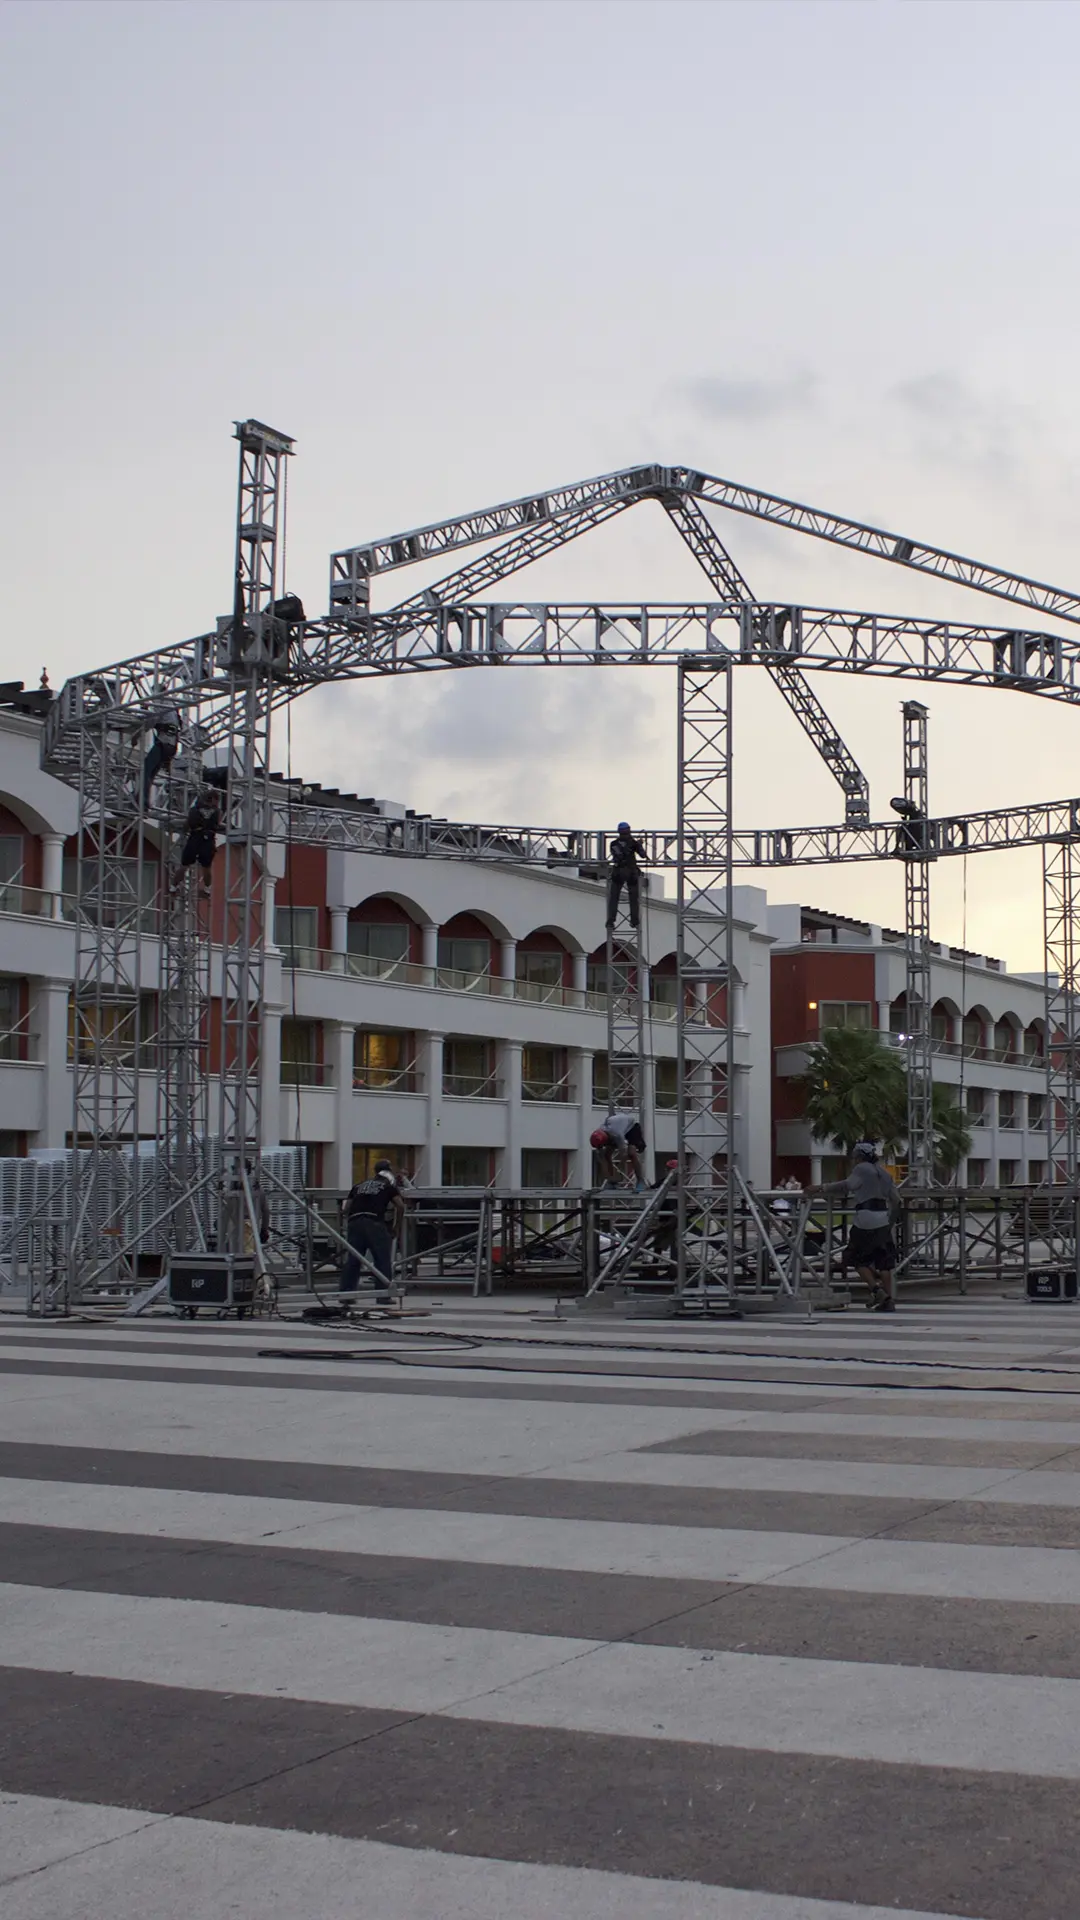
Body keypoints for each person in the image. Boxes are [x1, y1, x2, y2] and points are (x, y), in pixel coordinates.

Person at [813, 1141, 900, 1312]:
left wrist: (821, 1187)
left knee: (856, 1258)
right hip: (882, 1217)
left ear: (859, 1156)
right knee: (884, 1262)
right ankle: (889, 1300)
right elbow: (897, 1200)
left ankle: (877, 1290)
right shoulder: (885, 1173)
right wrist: (890, 1221)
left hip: (865, 1218)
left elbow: (848, 1185)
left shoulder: (861, 1169)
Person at [341, 1159, 404, 1304]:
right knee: (382, 1259)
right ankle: (383, 1295)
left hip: (354, 1222)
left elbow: (346, 1208)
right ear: (388, 1171)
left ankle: (346, 1294)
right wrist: (396, 1227)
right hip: (374, 1222)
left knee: (353, 1259)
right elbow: (400, 1206)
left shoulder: (358, 1185)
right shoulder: (388, 1186)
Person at [175, 784, 223, 897]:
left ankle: (174, 886)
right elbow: (217, 824)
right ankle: (207, 889)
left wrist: (183, 831)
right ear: (213, 800)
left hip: (195, 837)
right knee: (206, 867)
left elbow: (188, 824)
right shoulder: (217, 812)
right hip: (208, 839)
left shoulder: (194, 810)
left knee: (184, 865)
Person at [591, 1112, 647, 1190]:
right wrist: (608, 1177)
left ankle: (641, 1181)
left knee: (631, 1153)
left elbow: (623, 1154)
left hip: (631, 1128)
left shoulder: (617, 1134)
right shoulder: (599, 1132)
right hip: (614, 1130)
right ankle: (611, 1182)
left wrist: (619, 1174)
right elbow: (602, 1159)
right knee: (606, 1155)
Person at [606, 822, 646, 931]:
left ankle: (611, 921)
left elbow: (618, 856)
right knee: (634, 898)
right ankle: (634, 921)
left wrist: (636, 845)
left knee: (614, 898)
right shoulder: (633, 843)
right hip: (631, 873)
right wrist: (639, 845)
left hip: (618, 873)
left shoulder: (614, 843)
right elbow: (643, 855)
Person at [142, 709, 181, 805]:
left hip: (163, 743)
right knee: (151, 773)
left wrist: (146, 712)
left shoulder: (161, 704)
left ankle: (142, 799)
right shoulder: (174, 710)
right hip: (171, 746)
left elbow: (150, 722)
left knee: (145, 771)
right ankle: (144, 799)